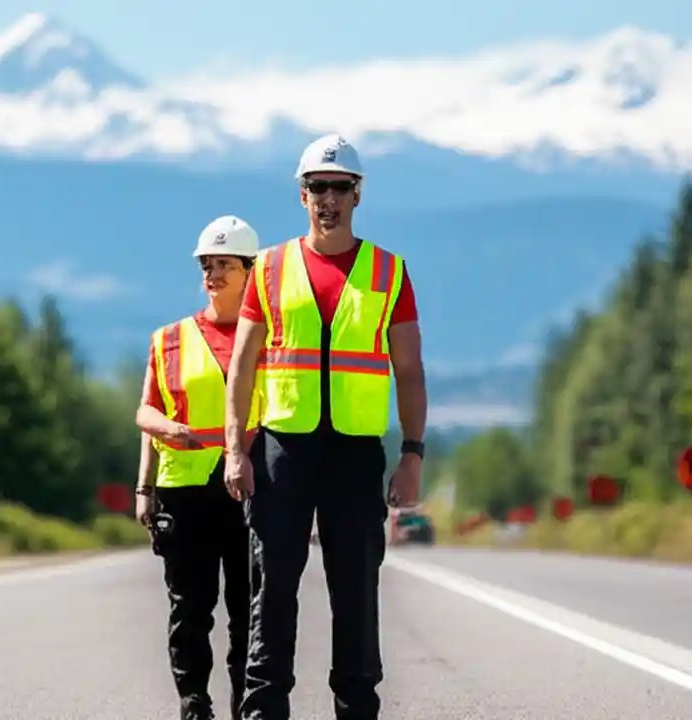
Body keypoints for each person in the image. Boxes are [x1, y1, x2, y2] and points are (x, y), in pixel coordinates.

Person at [222, 134, 428, 720]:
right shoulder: (268, 269)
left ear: (358, 195)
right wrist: (236, 449)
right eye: (318, 187)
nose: (328, 199)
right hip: (283, 452)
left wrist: (412, 454)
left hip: (356, 456)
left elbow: (409, 371)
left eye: (340, 188)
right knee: (273, 592)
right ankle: (263, 711)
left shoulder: (389, 271)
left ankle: (357, 709)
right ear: (302, 194)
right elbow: (242, 366)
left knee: (356, 592)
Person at [135, 214, 266, 720]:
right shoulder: (169, 339)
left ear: (250, 272)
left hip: (248, 490)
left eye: (224, 266)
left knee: (246, 613)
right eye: (206, 266)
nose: (212, 276)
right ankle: (194, 705)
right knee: (189, 610)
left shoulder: (270, 341)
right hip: (184, 492)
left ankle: (242, 706)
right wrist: (144, 488)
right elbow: (148, 412)